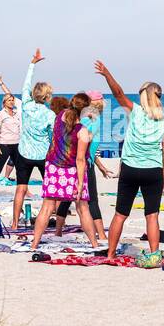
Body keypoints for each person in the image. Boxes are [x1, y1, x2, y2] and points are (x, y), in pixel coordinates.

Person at [94, 59, 164, 266]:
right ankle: (154, 254)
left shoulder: (136, 111)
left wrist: (107, 74)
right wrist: (163, 175)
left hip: (130, 169)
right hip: (153, 171)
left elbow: (118, 94)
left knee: (120, 214)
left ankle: (110, 254)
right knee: (152, 216)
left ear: (143, 97)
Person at [31, 93, 100, 250]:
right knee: (83, 208)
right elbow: (80, 160)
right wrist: (81, 183)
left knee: (47, 207)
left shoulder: (60, 116)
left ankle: (34, 243)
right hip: (71, 171)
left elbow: (70, 114)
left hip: (53, 167)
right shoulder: (82, 131)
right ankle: (94, 243)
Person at [56, 92, 112, 244]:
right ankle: (100, 234)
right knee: (91, 199)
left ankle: (58, 231)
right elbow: (83, 144)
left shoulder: (88, 118)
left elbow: (92, 147)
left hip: (85, 161)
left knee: (67, 198)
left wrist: (100, 166)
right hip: (82, 163)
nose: (103, 101)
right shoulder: (89, 120)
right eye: (100, 99)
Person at [13, 49, 56, 228]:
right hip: (42, 155)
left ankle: (15, 223)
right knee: (50, 191)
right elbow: (53, 138)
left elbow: (25, 84)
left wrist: (32, 63)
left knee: (21, 188)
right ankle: (51, 222)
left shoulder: (26, 105)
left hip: (24, 154)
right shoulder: (50, 114)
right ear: (46, 97)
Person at [0, 87, 21, 199]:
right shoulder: (0, 114)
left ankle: (25, 191)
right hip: (4, 145)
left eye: (12, 100)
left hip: (17, 145)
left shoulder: (17, 113)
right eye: (9, 100)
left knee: (21, 170)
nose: (11, 102)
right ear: (4, 102)